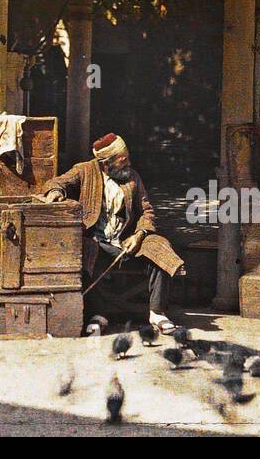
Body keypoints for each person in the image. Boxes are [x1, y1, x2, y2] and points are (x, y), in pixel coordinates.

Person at [38, 133, 185, 332]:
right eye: (123, 160)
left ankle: (157, 312)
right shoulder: (84, 170)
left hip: (126, 241)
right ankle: (99, 314)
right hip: (97, 240)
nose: (129, 163)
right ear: (107, 163)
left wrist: (139, 234)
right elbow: (57, 183)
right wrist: (55, 192)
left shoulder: (133, 177)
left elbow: (147, 210)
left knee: (160, 247)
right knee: (87, 251)